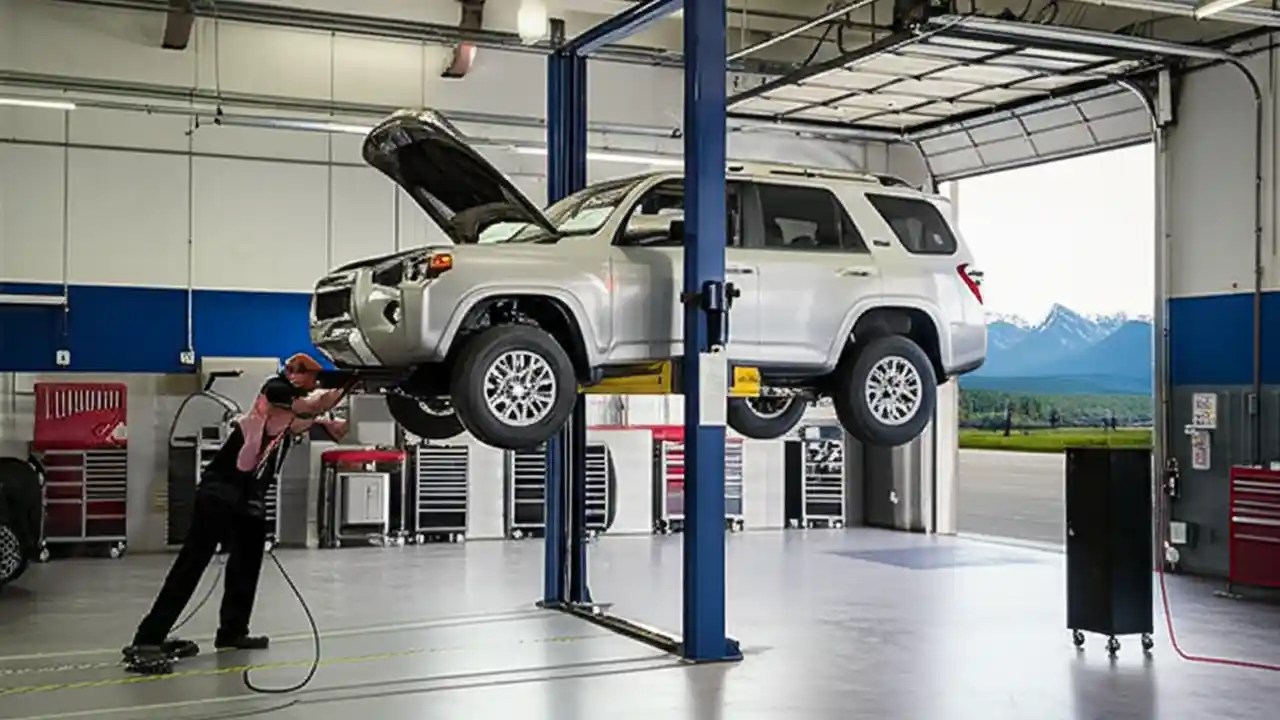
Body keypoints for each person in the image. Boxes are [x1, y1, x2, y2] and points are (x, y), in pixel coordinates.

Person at [123, 353, 353, 674]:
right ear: (297, 376)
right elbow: (310, 407)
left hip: (250, 496)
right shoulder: (275, 390)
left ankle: (232, 632)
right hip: (221, 490)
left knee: (248, 562)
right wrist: (350, 381)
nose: (315, 384)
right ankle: (148, 639)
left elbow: (315, 419)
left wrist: (344, 399)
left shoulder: (289, 412)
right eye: (313, 378)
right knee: (193, 563)